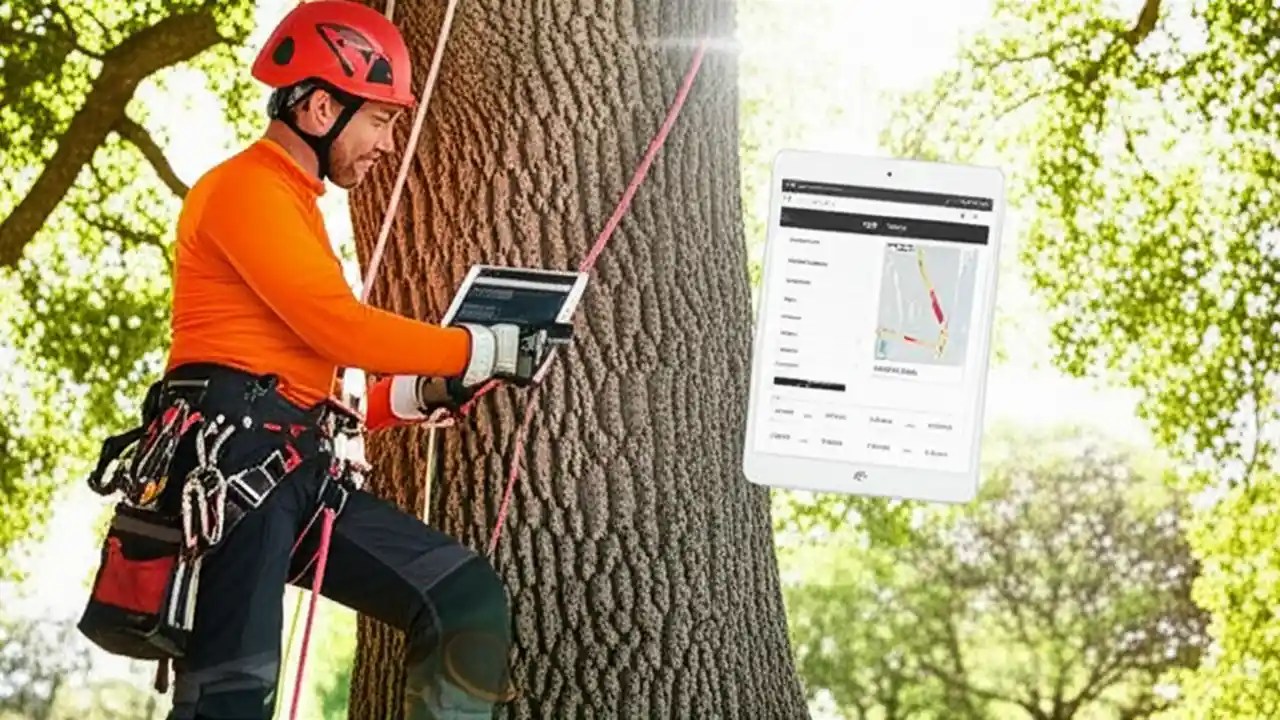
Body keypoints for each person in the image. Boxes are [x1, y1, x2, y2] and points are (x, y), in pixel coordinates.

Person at [77, 1, 546, 718]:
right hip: (231, 479)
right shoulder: (243, 188)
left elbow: (311, 393)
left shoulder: (297, 207)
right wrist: (479, 345)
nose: (389, 143)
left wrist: (420, 393)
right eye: (381, 119)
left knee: (462, 596)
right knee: (230, 702)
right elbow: (337, 329)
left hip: (298, 477)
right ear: (322, 105)